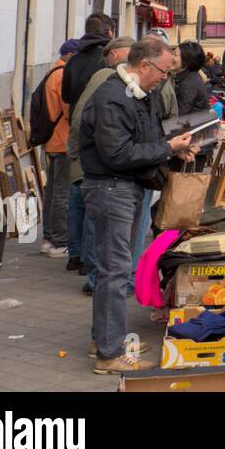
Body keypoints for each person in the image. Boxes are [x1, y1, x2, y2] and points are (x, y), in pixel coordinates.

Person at [79, 37, 195, 373]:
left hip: (123, 187)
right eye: (162, 71)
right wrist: (166, 148)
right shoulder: (113, 97)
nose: (164, 78)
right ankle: (109, 354)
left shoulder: (137, 94)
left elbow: (144, 138)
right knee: (114, 271)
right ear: (143, 66)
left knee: (115, 269)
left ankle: (104, 338)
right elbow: (116, 153)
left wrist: (172, 147)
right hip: (111, 188)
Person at [66, 37, 134, 286]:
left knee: (86, 212)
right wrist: (75, 153)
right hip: (98, 164)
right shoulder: (107, 77)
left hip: (94, 160)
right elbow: (81, 118)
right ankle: (95, 275)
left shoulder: (116, 79)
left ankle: (85, 262)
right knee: (94, 217)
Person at [39, 39, 80, 258]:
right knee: (62, 193)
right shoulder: (63, 75)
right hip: (63, 140)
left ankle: (48, 238)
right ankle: (59, 241)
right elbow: (68, 111)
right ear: (71, 55)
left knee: (52, 192)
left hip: (51, 141)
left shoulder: (51, 71)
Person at [61, 12, 115, 105]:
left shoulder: (72, 60)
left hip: (76, 117)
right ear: (109, 32)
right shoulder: (111, 60)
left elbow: (66, 97)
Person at [172, 40, 213, 116]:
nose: (171, 57)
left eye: (175, 54)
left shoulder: (189, 83)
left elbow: (179, 114)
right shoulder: (187, 76)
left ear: (187, 58)